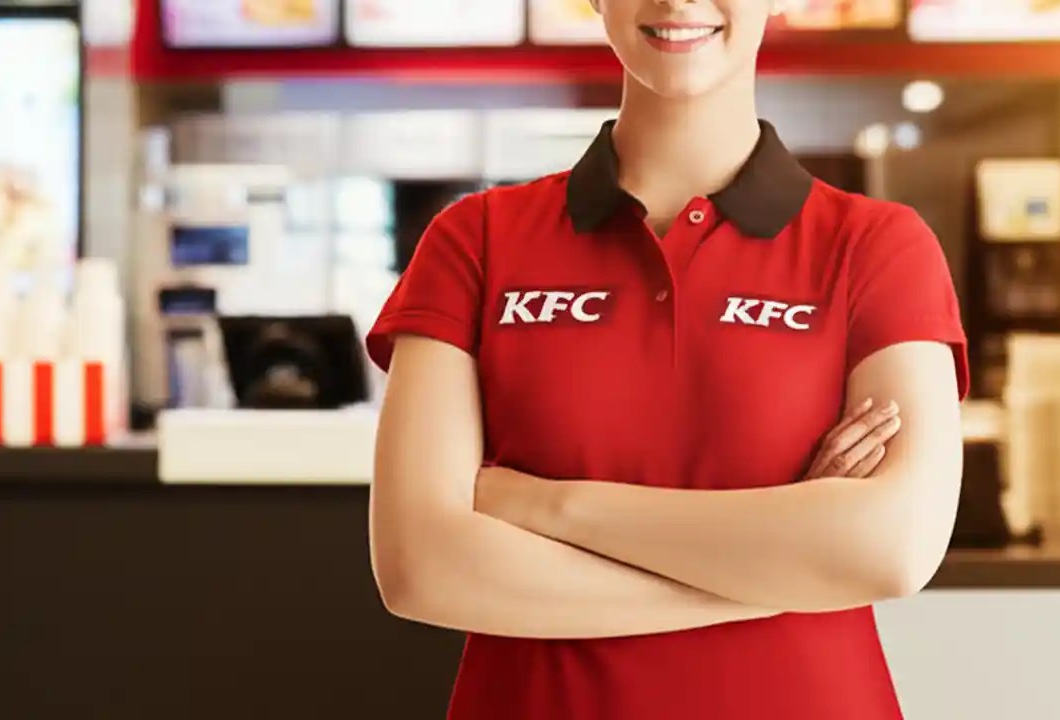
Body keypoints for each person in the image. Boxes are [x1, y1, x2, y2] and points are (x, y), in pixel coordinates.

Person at [365, 1, 968, 718]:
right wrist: (781, 570)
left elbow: (889, 550)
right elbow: (423, 571)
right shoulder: (477, 241)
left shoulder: (874, 246)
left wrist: (543, 504)